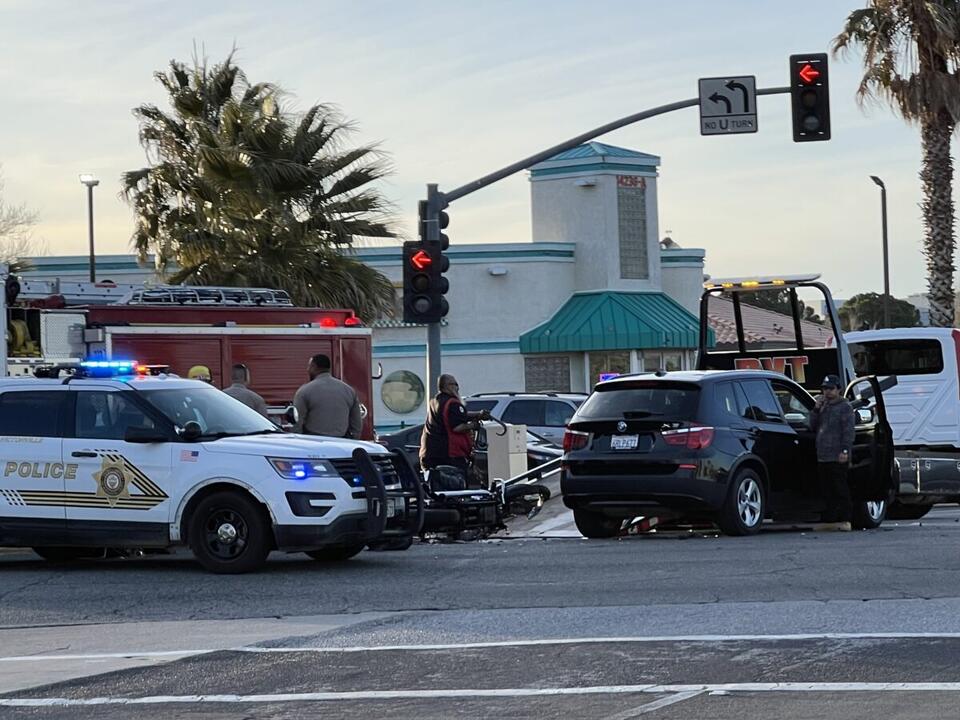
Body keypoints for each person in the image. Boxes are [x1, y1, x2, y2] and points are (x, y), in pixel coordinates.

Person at [419, 374, 491, 476]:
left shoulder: (435, 401)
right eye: (454, 384)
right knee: (455, 486)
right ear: (446, 386)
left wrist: (477, 414)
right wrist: (473, 426)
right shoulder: (453, 403)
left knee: (434, 486)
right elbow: (457, 427)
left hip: (429, 453)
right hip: (448, 455)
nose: (457, 388)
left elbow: (454, 416)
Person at [810, 374, 855, 532]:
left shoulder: (845, 407)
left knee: (840, 487)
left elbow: (848, 431)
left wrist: (844, 450)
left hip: (837, 454)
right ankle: (830, 516)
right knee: (826, 488)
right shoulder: (823, 406)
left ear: (838, 390)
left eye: (831, 389)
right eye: (825, 389)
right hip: (822, 454)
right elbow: (812, 426)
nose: (827, 392)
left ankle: (845, 517)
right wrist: (816, 409)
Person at [293, 354, 362, 438]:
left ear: (314, 367)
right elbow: (356, 425)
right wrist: (352, 441)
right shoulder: (349, 390)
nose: (307, 369)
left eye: (309, 366)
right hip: (341, 443)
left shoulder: (304, 391)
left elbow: (296, 422)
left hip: (314, 443)